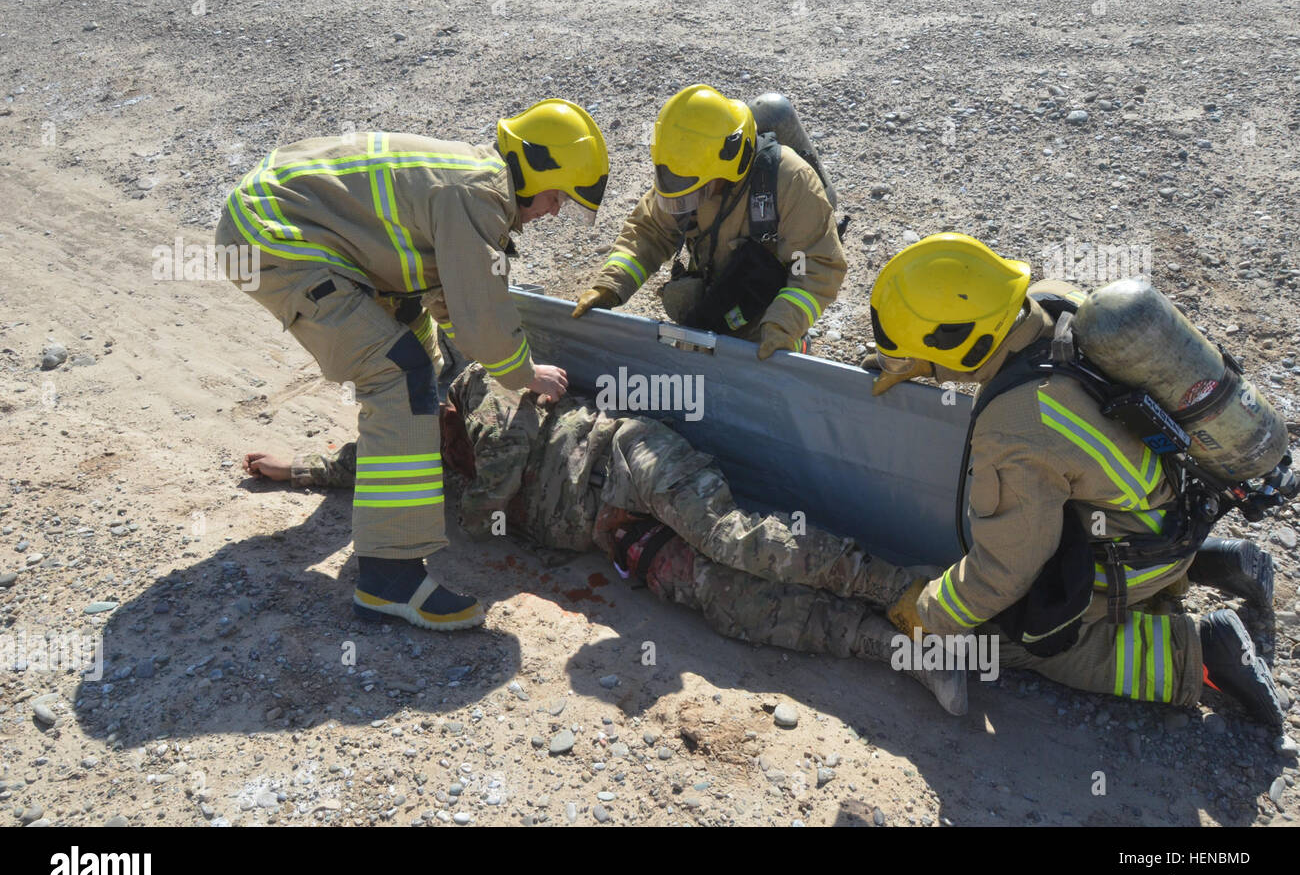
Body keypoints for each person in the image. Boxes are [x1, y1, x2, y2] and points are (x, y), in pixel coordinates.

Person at [244, 363, 968, 714]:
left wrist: (465, 496)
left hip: (625, 460)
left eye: (423, 420)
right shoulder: (417, 451)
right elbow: (364, 463)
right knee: (734, 606)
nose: (424, 433)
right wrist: (298, 470)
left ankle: (906, 588)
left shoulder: (479, 382)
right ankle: (907, 651)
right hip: (609, 535)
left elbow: (494, 476)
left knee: (737, 541)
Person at [215, 100, 609, 631]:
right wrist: (523, 374)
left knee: (414, 367)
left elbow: (442, 289)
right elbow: (481, 317)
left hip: (299, 230)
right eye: (558, 196)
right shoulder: (479, 195)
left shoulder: (469, 181)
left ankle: (378, 526)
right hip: (275, 237)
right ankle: (389, 580)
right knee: (400, 374)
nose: (556, 211)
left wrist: (306, 467)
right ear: (536, 170)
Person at [866, 232, 1286, 727]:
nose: (909, 368)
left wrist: (932, 614)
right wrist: (915, 364)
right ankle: (1208, 563)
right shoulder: (1053, 300)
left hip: (1143, 547)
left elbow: (1005, 569)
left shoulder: (1015, 429)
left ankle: (1198, 654)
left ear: (958, 342)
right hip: (1180, 501)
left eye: (916, 356)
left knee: (1011, 636)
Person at [570, 84, 845, 360]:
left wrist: (783, 325)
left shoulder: (790, 180)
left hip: (768, 307)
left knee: (763, 361)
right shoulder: (687, 171)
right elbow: (650, 232)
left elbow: (811, 265)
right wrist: (609, 287)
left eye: (696, 191)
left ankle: (797, 344)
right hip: (718, 295)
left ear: (729, 164)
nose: (688, 199)